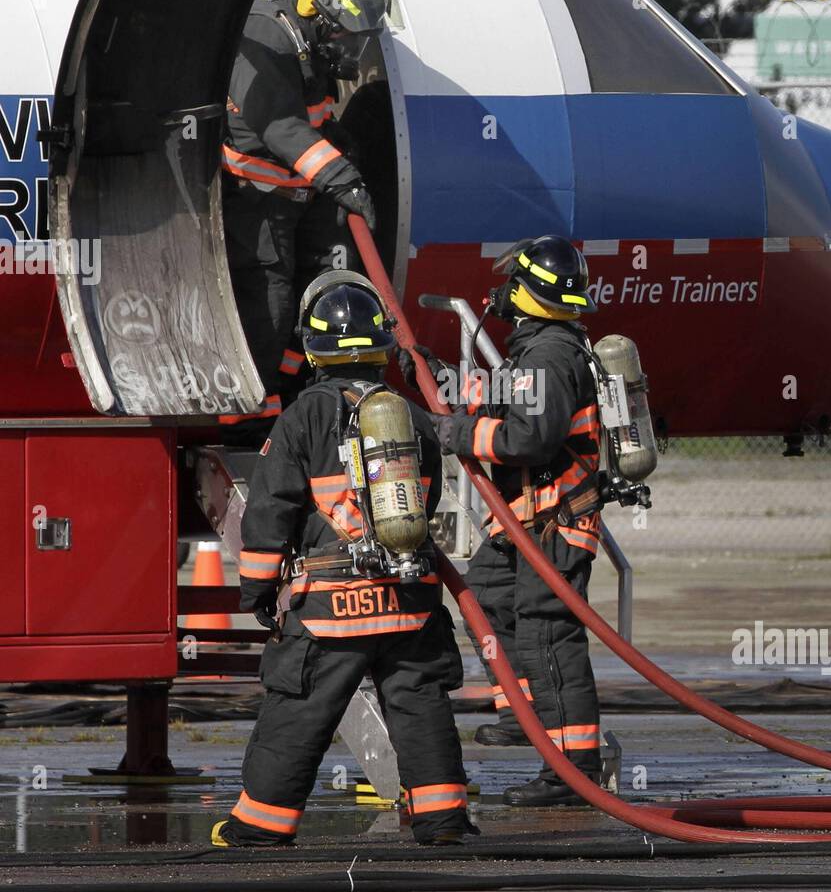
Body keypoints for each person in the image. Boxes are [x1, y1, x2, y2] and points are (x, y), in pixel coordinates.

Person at [212, 270, 475, 847]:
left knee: (299, 709)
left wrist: (258, 592)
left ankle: (260, 827)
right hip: (410, 601)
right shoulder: (407, 415)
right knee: (419, 704)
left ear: (313, 349)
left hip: (332, 608)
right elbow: (424, 496)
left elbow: (269, 510)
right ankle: (443, 819)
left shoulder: (302, 417)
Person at [430, 237, 605, 807]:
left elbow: (531, 436)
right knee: (487, 596)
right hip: (527, 523)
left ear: (525, 290)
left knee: (549, 638)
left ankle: (572, 770)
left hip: (554, 524)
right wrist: (436, 376)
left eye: (510, 282)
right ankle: (524, 714)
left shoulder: (551, 354)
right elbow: (503, 397)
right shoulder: (538, 349)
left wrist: (462, 435)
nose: (500, 292)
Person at [220, 0, 385, 432]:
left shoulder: (306, 40)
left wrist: (338, 142)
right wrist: (344, 179)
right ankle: (249, 423)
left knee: (308, 296)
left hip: (296, 202)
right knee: (269, 307)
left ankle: (292, 397)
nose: (351, 47)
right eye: (345, 34)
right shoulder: (266, 38)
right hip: (257, 204)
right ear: (317, 12)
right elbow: (281, 128)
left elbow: (312, 115)